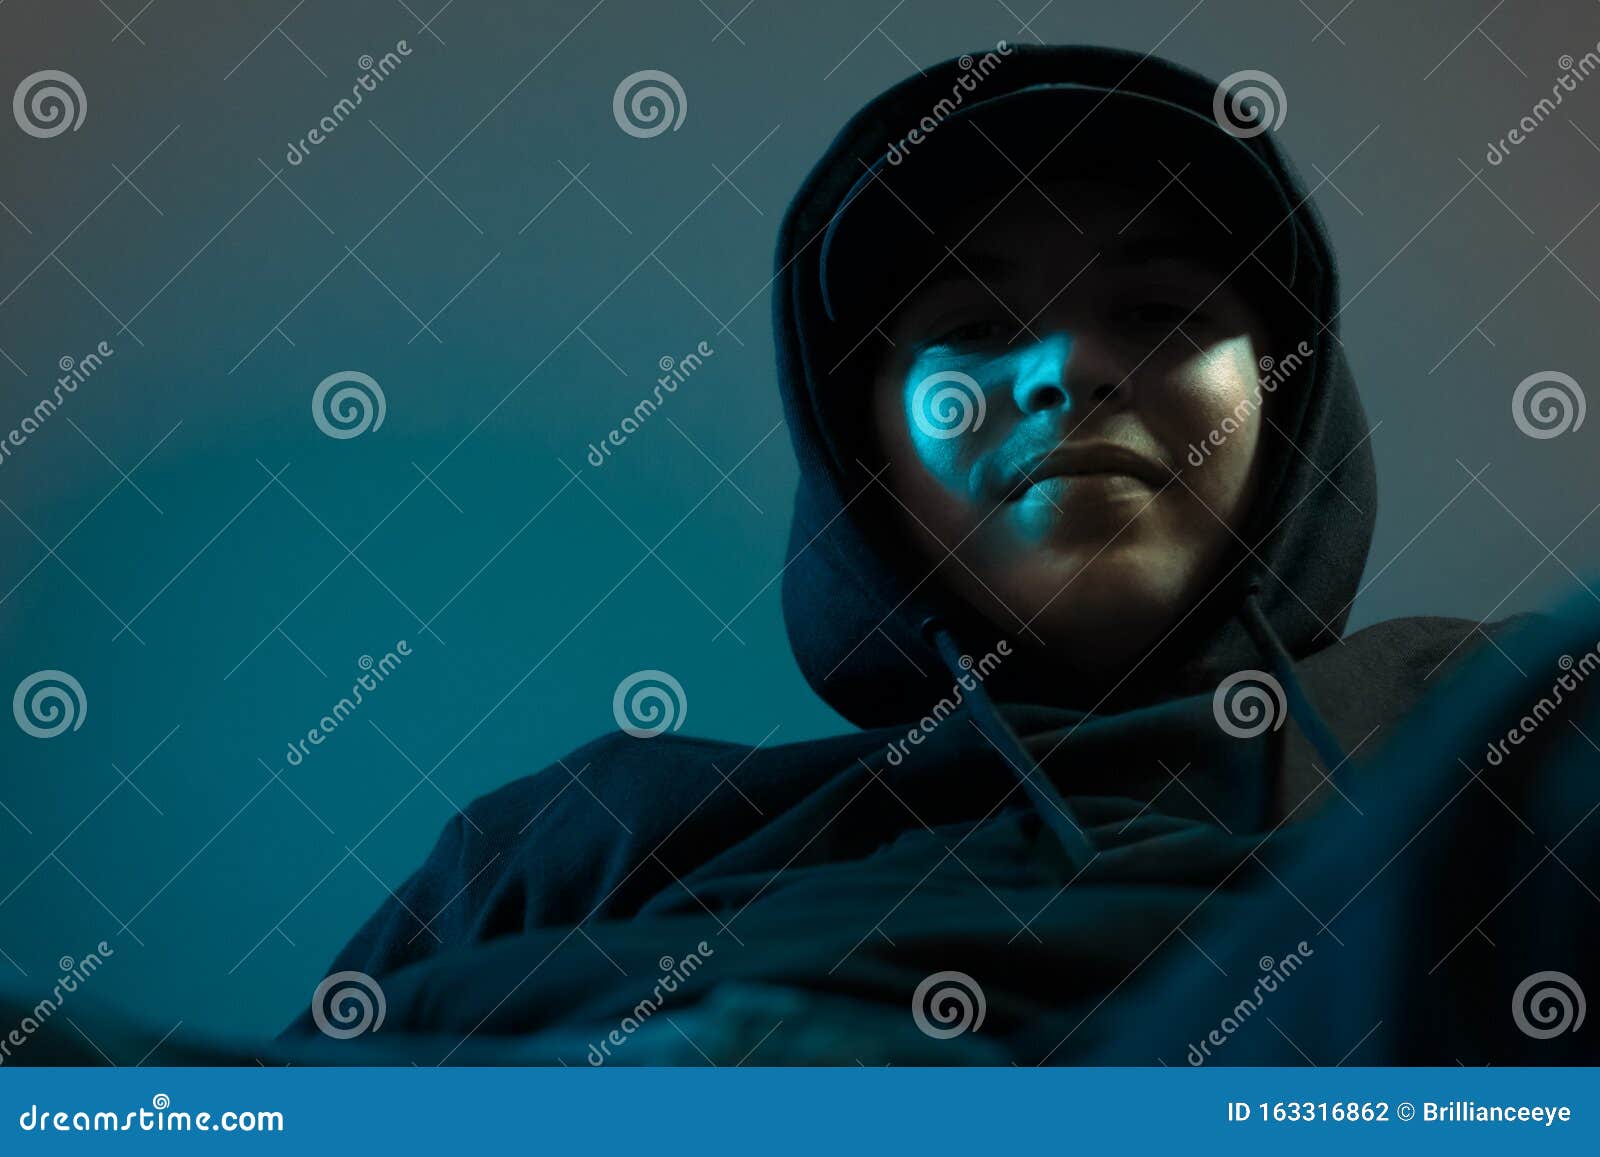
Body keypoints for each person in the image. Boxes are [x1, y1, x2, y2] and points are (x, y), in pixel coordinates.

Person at [274, 44, 1599, 1066]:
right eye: (972, 325)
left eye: (1157, 308)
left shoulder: (1496, 728)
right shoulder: (577, 838)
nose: (1067, 367)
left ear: (1287, 403)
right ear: (861, 460)